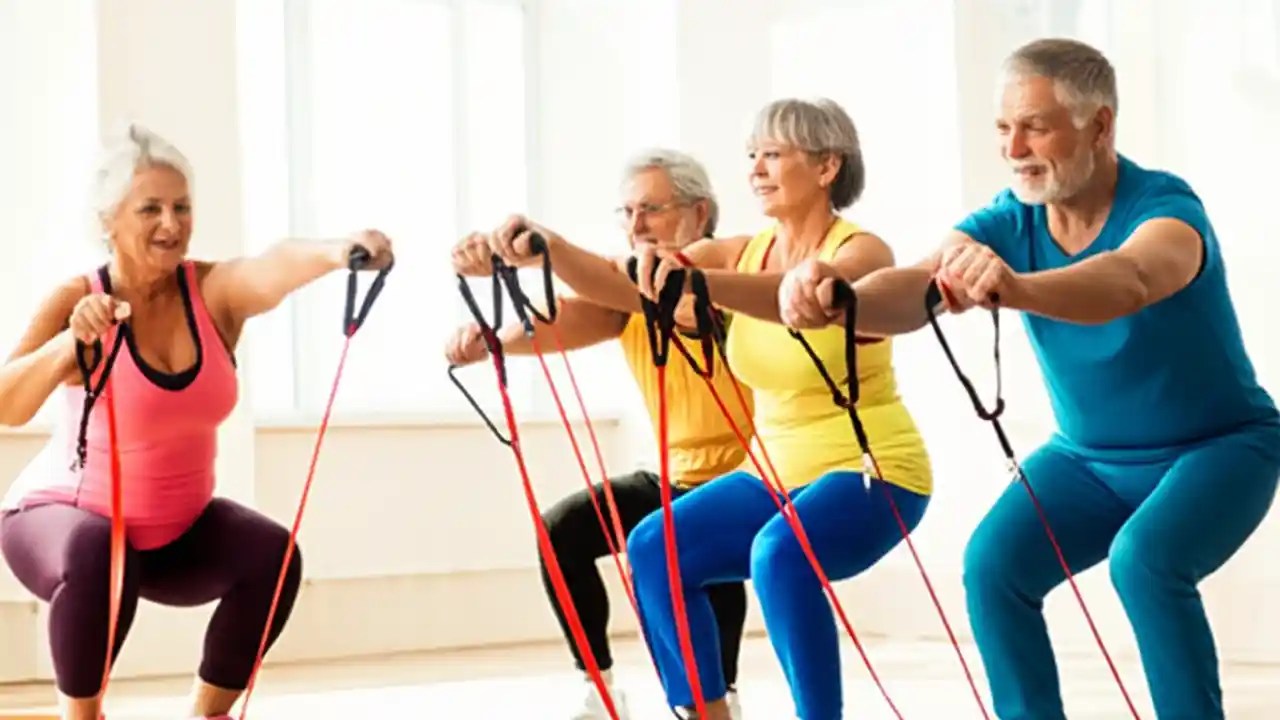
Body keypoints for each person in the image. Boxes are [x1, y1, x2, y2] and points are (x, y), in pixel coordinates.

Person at [777, 38, 1280, 720]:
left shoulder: (1166, 209)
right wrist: (843, 295)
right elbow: (920, 283)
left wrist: (1016, 287)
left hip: (1221, 448)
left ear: (1099, 126)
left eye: (1036, 126)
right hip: (1088, 461)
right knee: (994, 567)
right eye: (1002, 128)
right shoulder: (1008, 219)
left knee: (1145, 563)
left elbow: (1127, 280)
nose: (1013, 147)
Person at [483, 97, 933, 720]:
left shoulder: (861, 250)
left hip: (872, 471)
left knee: (779, 553)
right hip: (772, 473)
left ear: (828, 166)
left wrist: (700, 284)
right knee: (655, 547)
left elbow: (801, 296)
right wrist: (548, 250)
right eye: (752, 155)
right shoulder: (741, 252)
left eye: (774, 154)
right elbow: (626, 285)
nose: (756, 168)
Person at [0, 123, 395, 720]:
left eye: (182, 207)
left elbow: (272, 265)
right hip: (61, 525)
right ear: (108, 221)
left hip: (171, 535)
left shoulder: (211, 292)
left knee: (272, 556)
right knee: (98, 554)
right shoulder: (76, 296)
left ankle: (206, 715)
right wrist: (68, 348)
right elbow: (7, 406)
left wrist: (338, 252)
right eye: (150, 208)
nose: (171, 223)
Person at [447, 148, 752, 720]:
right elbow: (569, 313)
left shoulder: (725, 276)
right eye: (627, 212)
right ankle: (600, 686)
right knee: (560, 531)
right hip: (672, 475)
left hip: (749, 477)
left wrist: (542, 250)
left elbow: (659, 299)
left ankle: (720, 693)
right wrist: (489, 339)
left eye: (651, 210)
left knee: (692, 545)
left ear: (699, 211)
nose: (636, 225)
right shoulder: (625, 293)